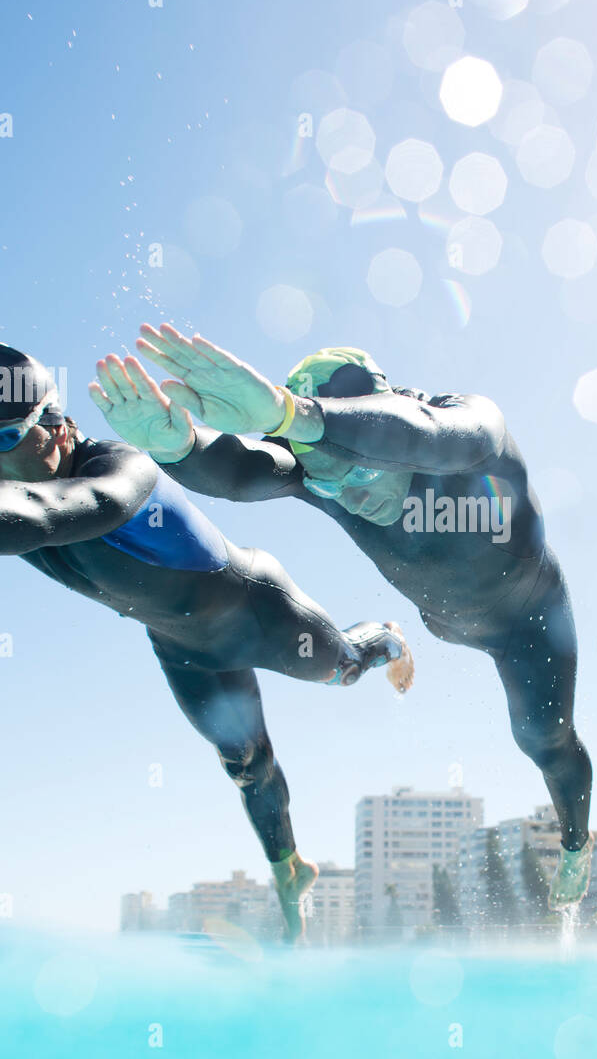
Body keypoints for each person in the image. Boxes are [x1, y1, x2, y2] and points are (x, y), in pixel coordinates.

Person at [100, 323, 595, 909]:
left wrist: (295, 414)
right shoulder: (317, 467)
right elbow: (236, 471)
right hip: (444, 620)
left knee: (542, 737)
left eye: (359, 468)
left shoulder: (465, 424)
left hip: (528, 624)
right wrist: (175, 445)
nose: (349, 490)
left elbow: (438, 438)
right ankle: (391, 641)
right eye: (327, 477)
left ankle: (575, 843)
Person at [0, 343, 413, 942]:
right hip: (181, 645)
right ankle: (289, 868)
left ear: (58, 426)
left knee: (344, 670)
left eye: (6, 439)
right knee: (246, 766)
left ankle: (383, 638)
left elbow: (51, 513)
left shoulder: (121, 470)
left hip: (259, 611)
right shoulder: (22, 486)